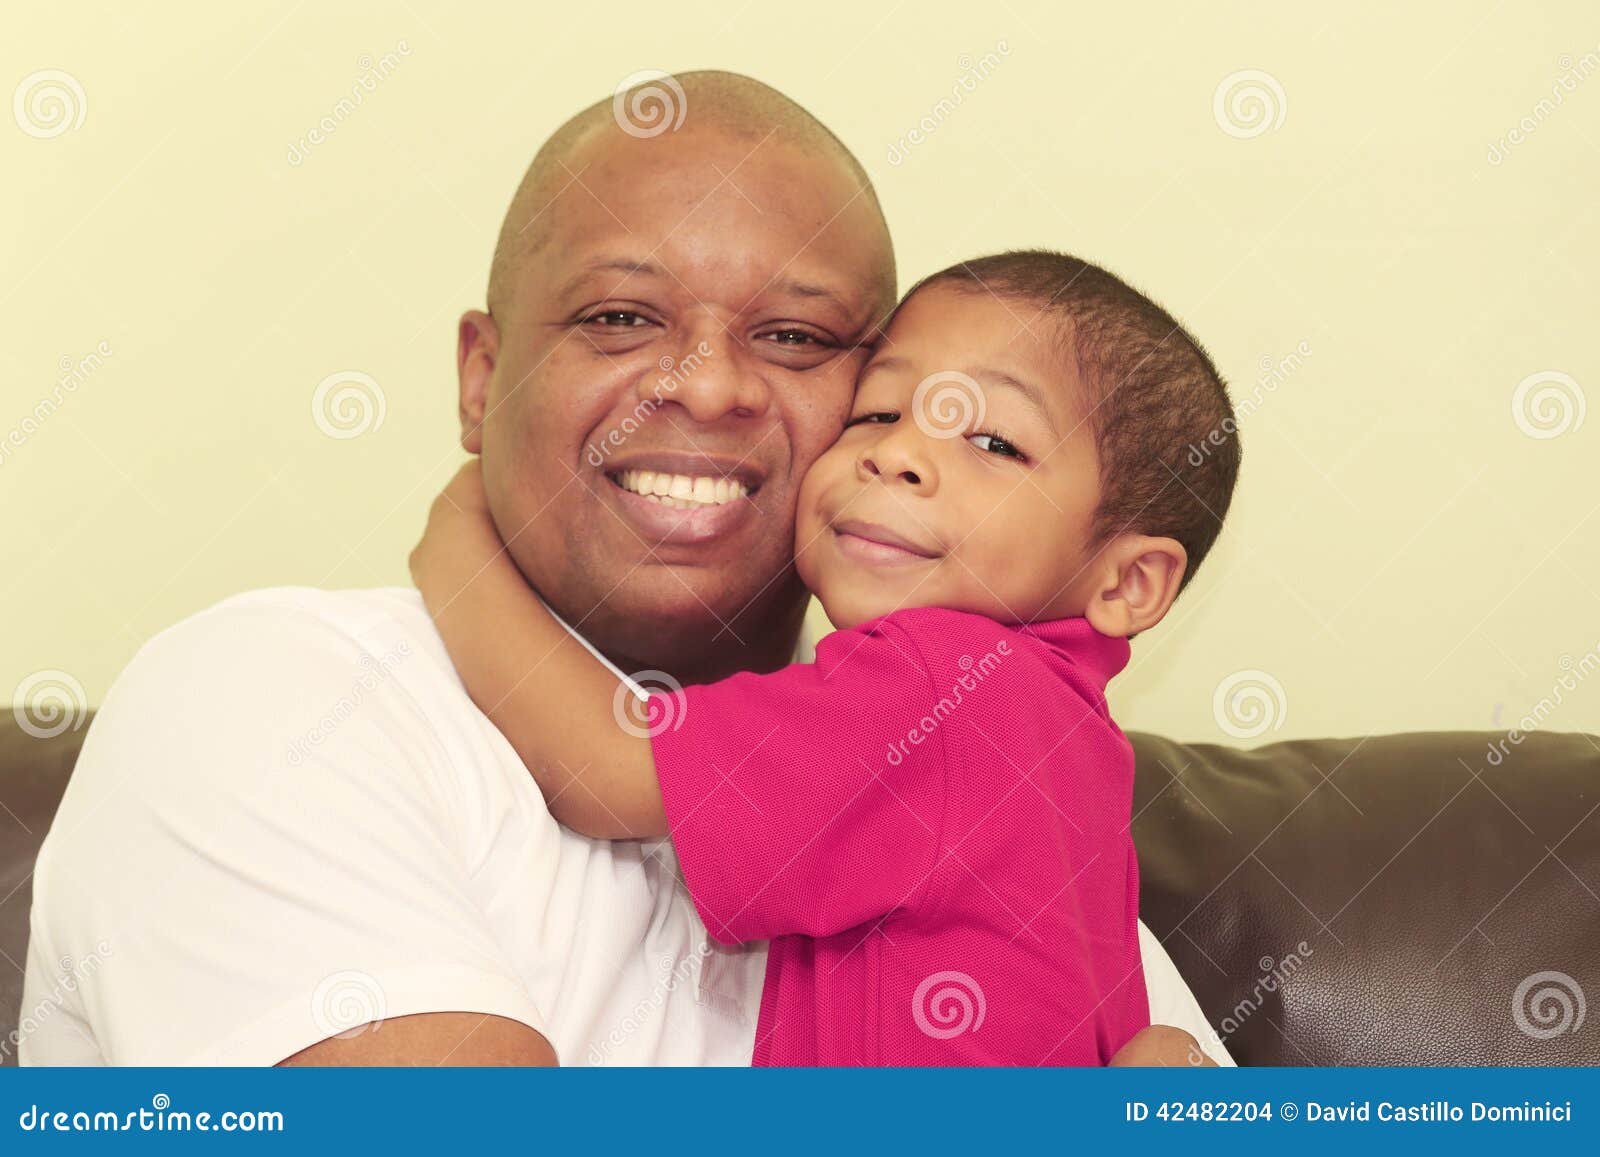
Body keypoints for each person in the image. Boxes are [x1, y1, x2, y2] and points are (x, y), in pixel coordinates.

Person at [20, 72, 1231, 1066]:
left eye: (797, 337)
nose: (706, 384)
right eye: (619, 318)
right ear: (482, 378)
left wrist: (454, 531)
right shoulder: (272, 696)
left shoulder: (984, 750)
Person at [409, 249, 1240, 1064]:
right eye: (876, 413)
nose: (897, 453)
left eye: (992, 442)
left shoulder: (942, 682)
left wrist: (459, 534)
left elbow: (608, 765)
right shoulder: (1073, 740)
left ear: (1130, 581)